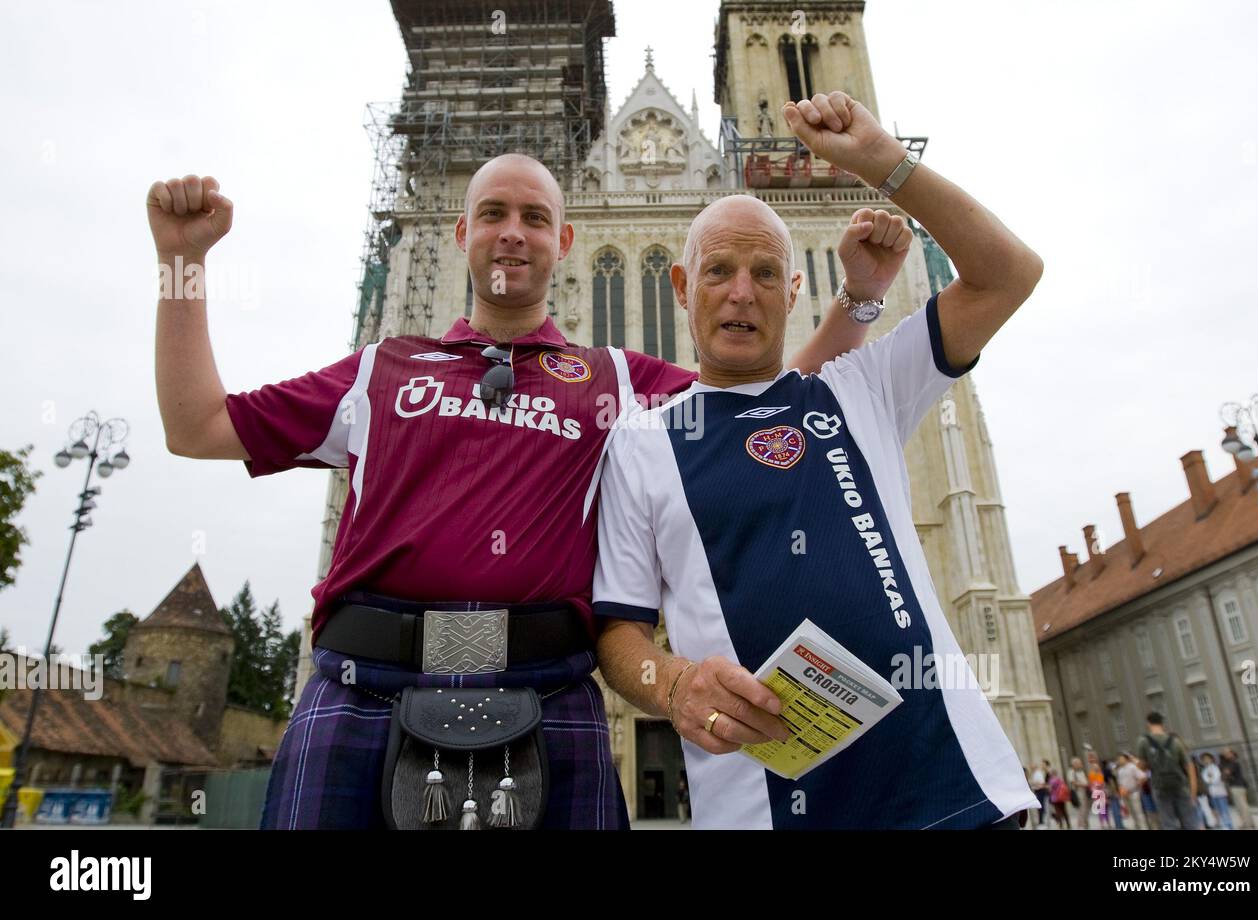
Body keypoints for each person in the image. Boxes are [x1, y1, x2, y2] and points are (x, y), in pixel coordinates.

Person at [147, 153, 863, 829]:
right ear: (463, 234)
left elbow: (774, 401)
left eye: (535, 218)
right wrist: (182, 259)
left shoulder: (615, 379)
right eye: (492, 214)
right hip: (363, 686)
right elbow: (196, 424)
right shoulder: (382, 370)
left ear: (564, 242)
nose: (512, 232)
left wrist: (857, 300)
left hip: (545, 690)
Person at [591, 90, 1044, 828]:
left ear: (795, 287)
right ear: (681, 287)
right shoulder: (641, 445)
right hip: (762, 807)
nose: (743, 292)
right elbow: (617, 631)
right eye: (719, 271)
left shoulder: (859, 387)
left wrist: (881, 163)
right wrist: (671, 685)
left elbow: (1008, 273)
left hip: (955, 794)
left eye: (766, 273)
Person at [1135, 712, 1202, 830]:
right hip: (1180, 785)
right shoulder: (1176, 741)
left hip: (1159, 786)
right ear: (1162, 723)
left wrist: (1139, 763)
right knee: (1190, 821)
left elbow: (1142, 767)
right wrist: (1193, 792)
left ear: (1148, 723)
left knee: (1169, 822)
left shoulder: (1143, 741)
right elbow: (1189, 766)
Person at [1219, 747, 1253, 830]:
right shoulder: (1230, 762)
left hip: (1237, 786)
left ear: (1232, 753)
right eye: (1225, 753)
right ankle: (1249, 823)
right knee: (1241, 806)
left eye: (1227, 753)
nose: (1226, 755)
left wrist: (1223, 772)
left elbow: (1227, 773)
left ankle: (1247, 823)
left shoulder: (1233, 762)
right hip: (1236, 785)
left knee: (1241, 806)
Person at [1199, 752, 1232, 830]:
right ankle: (1222, 824)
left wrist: (1210, 779)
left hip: (1220, 792)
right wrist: (1209, 780)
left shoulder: (1216, 767)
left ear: (1211, 759)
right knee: (1217, 810)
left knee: (1224, 810)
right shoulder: (1204, 770)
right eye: (1204, 760)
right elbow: (1205, 779)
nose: (1206, 761)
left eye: (1207, 759)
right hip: (1212, 793)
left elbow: (1217, 778)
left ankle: (1228, 826)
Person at [1116, 752, 1149, 830]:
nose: (1119, 760)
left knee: (1138, 812)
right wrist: (1121, 791)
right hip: (1125, 794)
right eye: (1118, 759)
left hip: (1134, 792)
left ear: (1126, 759)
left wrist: (1136, 785)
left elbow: (1143, 777)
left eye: (1121, 759)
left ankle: (1143, 827)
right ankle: (1137, 827)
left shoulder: (1132, 767)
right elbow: (1120, 783)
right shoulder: (1120, 771)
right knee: (1132, 813)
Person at [1068, 757, 1090, 829]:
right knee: (1081, 810)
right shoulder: (1071, 772)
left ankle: (1086, 825)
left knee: (1086, 810)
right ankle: (1081, 826)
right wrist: (1084, 784)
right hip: (1078, 792)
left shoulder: (1081, 771)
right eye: (1079, 763)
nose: (1081, 764)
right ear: (1075, 764)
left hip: (1085, 792)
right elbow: (1073, 782)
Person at [1029, 760, 1049, 827]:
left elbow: (1042, 783)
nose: (1031, 767)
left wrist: (1034, 783)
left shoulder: (1038, 773)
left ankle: (1041, 821)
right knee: (1038, 807)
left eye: (1032, 765)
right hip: (1037, 791)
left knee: (1040, 806)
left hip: (1040, 791)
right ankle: (1040, 821)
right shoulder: (1034, 773)